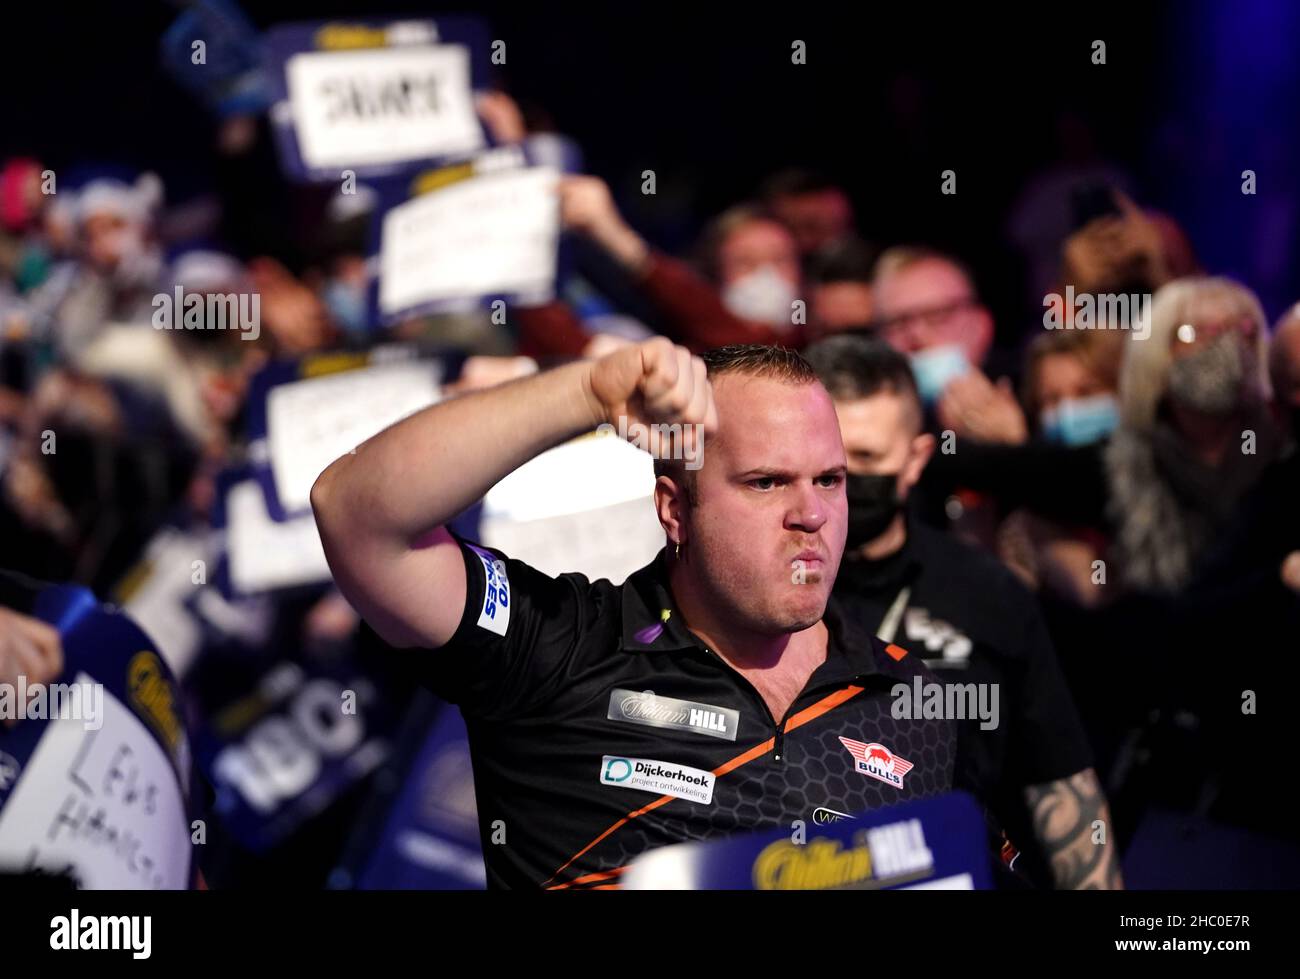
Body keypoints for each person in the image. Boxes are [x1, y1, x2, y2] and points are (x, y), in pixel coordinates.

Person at [311, 340, 956, 889]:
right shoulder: (560, 647)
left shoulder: (909, 696)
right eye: (766, 482)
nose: (811, 514)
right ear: (674, 509)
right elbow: (353, 515)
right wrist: (588, 392)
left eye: (830, 480)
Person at [804, 334, 1121, 889]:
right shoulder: (760, 587)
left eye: (869, 458)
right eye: (828, 459)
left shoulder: (987, 594)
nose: (846, 479)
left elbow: (1061, 783)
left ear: (916, 458)